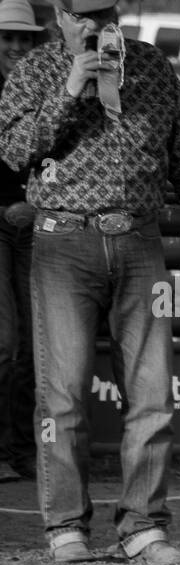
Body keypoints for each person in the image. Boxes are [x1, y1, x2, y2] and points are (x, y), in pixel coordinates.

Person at [0, 0, 180, 564]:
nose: (96, 24)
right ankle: (65, 528)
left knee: (153, 393)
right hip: (62, 241)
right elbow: (14, 152)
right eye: (83, 14)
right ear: (59, 14)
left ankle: (144, 526)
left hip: (138, 240)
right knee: (62, 397)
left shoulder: (154, 67)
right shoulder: (33, 71)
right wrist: (70, 86)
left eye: (105, 11)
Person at [0, 0, 41, 483]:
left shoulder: (45, 88)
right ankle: (7, 449)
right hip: (4, 222)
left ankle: (26, 450)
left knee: (35, 344)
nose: (15, 46)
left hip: (35, 223)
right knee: (7, 343)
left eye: (23, 38)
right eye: (8, 38)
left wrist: (37, 204)